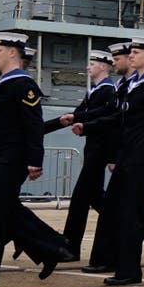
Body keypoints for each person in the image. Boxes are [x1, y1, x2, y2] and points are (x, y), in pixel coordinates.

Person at [0, 32, 72, 287]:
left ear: (12, 53)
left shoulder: (22, 84)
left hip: (13, 158)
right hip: (3, 157)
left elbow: (32, 124)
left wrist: (34, 160)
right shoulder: (6, 85)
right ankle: (51, 248)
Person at [77, 42, 144, 276]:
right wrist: (88, 126)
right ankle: (109, 259)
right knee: (112, 208)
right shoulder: (134, 85)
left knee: (130, 212)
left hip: (143, 157)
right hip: (127, 154)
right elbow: (120, 118)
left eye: (136, 52)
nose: (131, 56)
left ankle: (128, 271)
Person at [49, 49, 118, 259]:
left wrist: (112, 157)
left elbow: (110, 120)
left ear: (103, 66)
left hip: (100, 151)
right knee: (98, 199)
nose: (88, 67)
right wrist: (67, 118)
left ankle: (71, 248)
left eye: (92, 64)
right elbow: (80, 113)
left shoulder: (108, 91)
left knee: (80, 198)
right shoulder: (95, 90)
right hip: (93, 149)